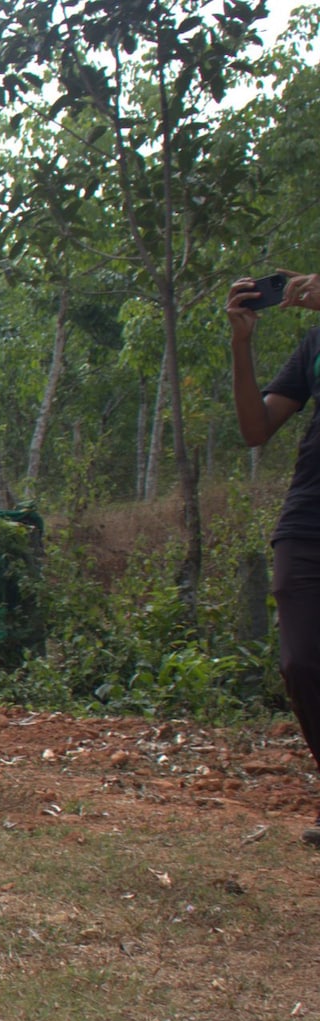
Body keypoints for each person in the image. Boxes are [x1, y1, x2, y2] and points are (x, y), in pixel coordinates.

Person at [229, 269, 320, 844]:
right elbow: (255, 428)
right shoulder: (314, 341)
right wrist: (242, 345)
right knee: (302, 663)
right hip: (309, 515)